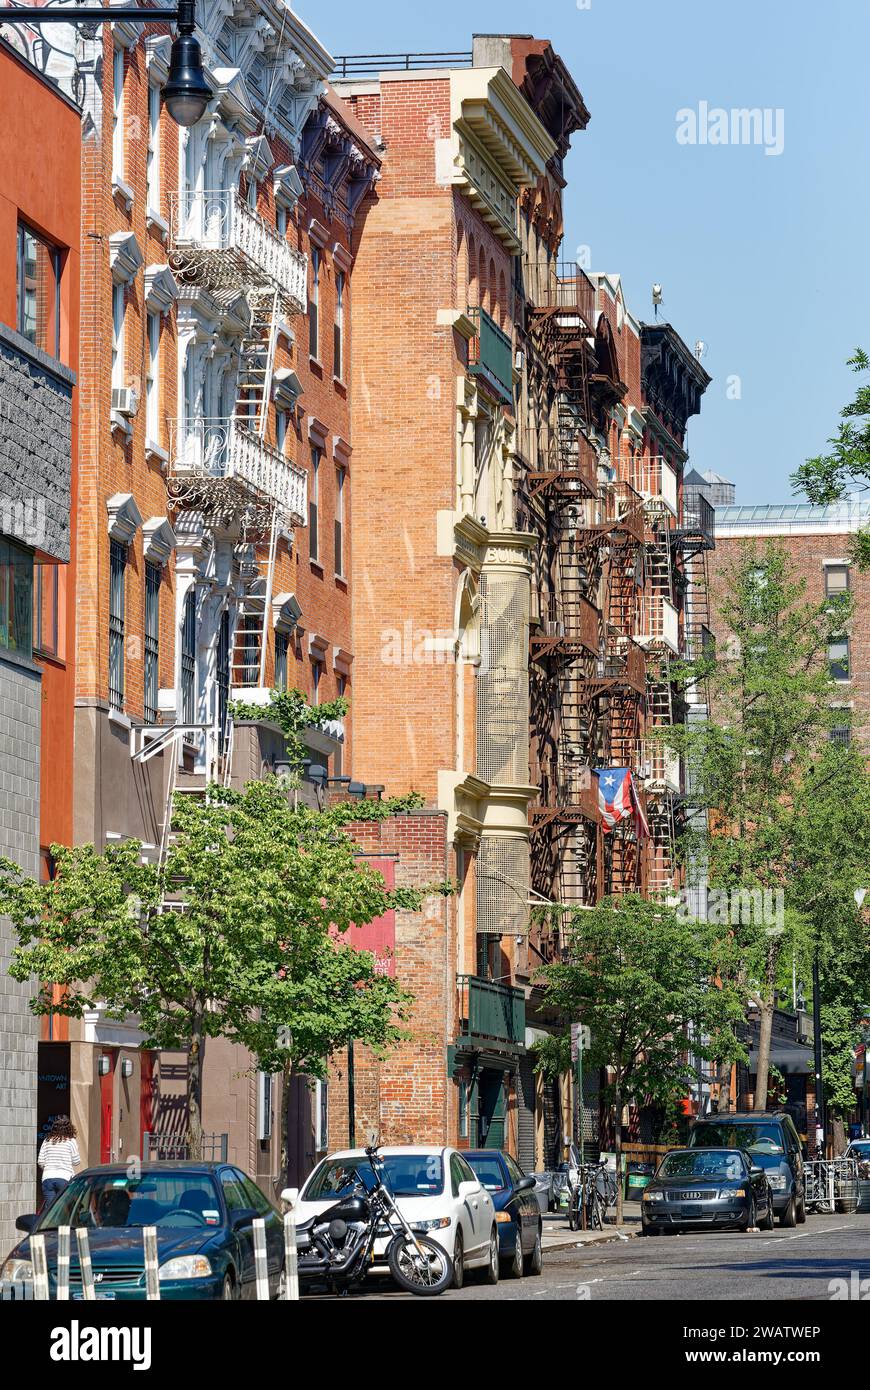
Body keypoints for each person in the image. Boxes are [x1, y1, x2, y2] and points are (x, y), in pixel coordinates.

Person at [37, 1115, 80, 1207]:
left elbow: (40, 1161)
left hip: (47, 1178)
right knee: (64, 1207)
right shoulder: (71, 1141)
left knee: (50, 1208)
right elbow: (76, 1161)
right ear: (69, 1127)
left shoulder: (47, 1140)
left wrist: (48, 1168)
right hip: (64, 1177)